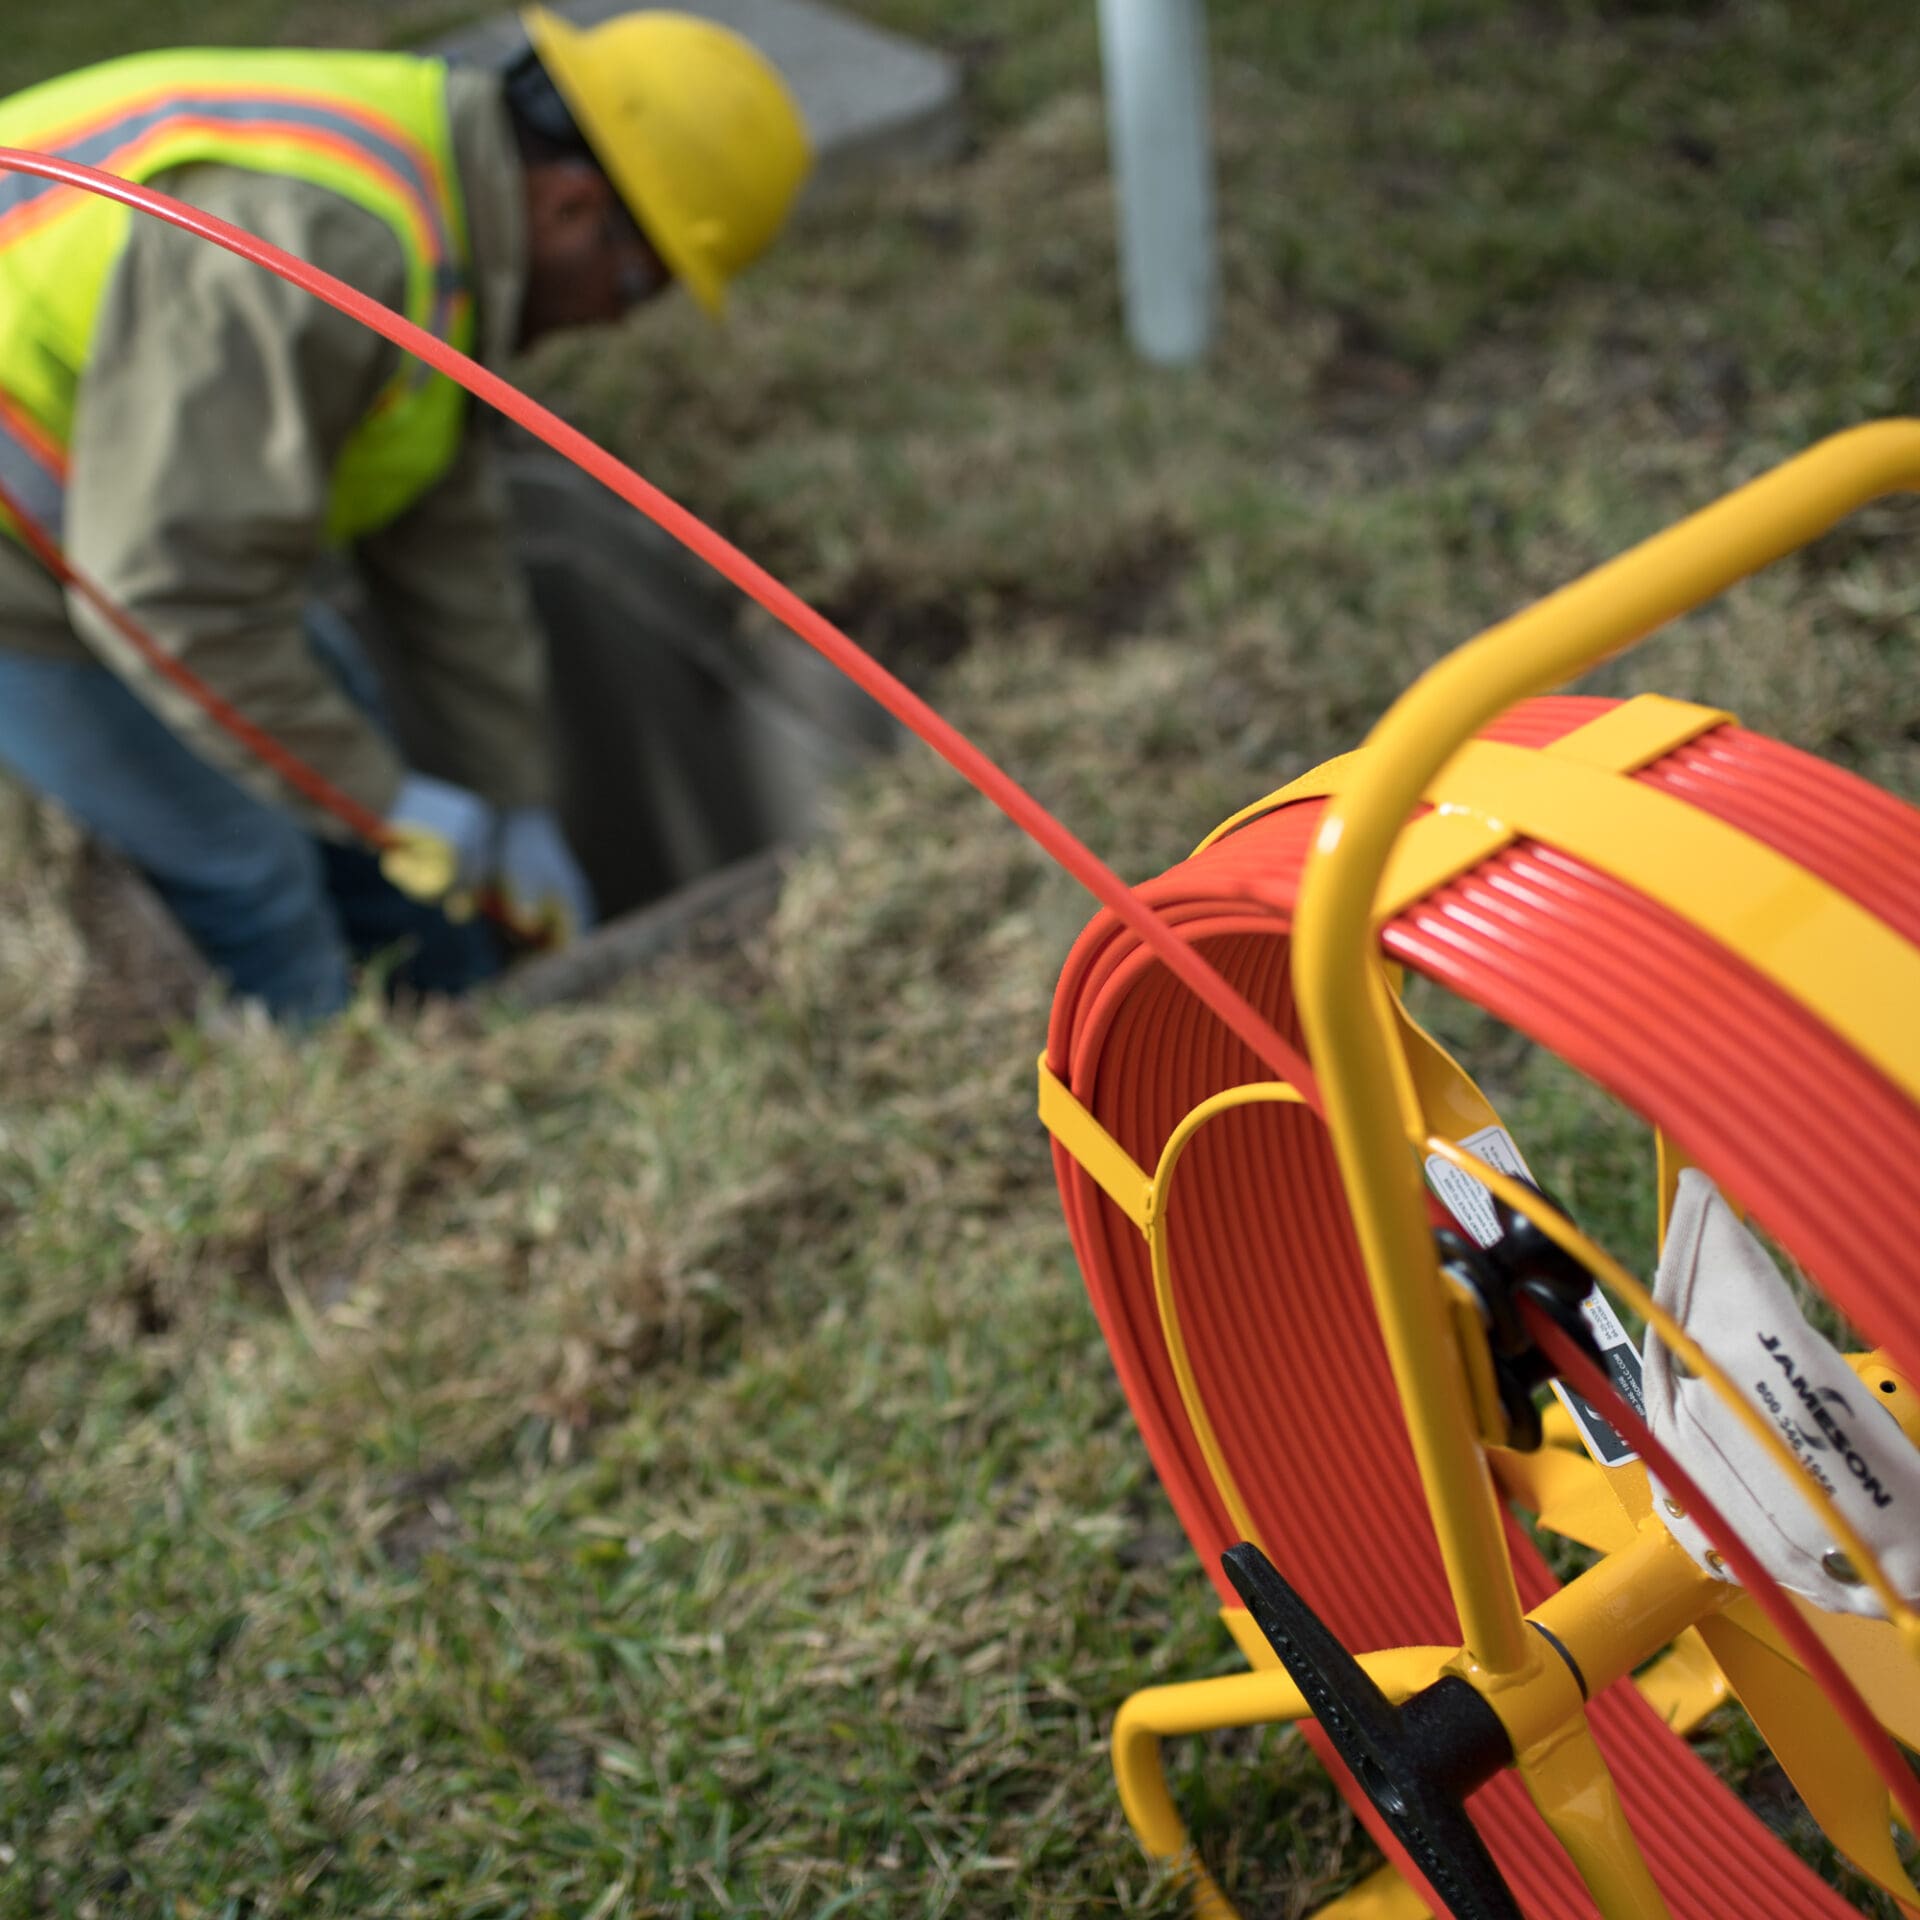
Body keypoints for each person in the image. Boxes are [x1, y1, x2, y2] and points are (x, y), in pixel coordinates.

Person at [0, 9, 812, 1020]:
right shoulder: (316, 259)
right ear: (572, 206)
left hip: (129, 513)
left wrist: (514, 797)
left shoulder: (440, 214)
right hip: (32, 556)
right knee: (248, 869)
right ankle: (322, 1065)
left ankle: (453, 1009)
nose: (613, 320)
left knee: (334, 717)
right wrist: (384, 802)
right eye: (639, 286)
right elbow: (165, 596)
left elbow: (439, 525)